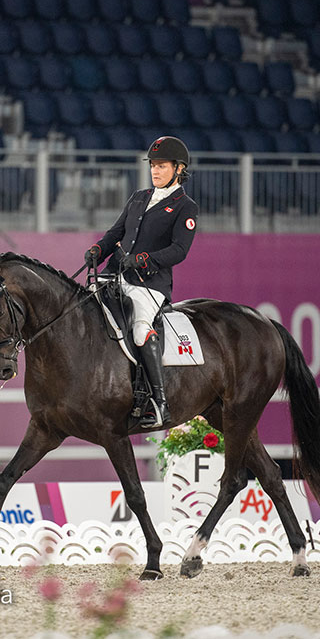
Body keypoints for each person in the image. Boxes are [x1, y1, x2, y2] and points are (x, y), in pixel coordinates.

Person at [84, 136, 199, 429]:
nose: (155, 171)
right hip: (115, 274)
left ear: (178, 168)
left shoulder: (185, 207)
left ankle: (158, 403)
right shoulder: (138, 197)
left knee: (140, 330)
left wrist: (143, 260)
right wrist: (99, 250)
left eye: (161, 166)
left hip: (150, 284)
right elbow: (116, 233)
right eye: (153, 166)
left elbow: (179, 251)